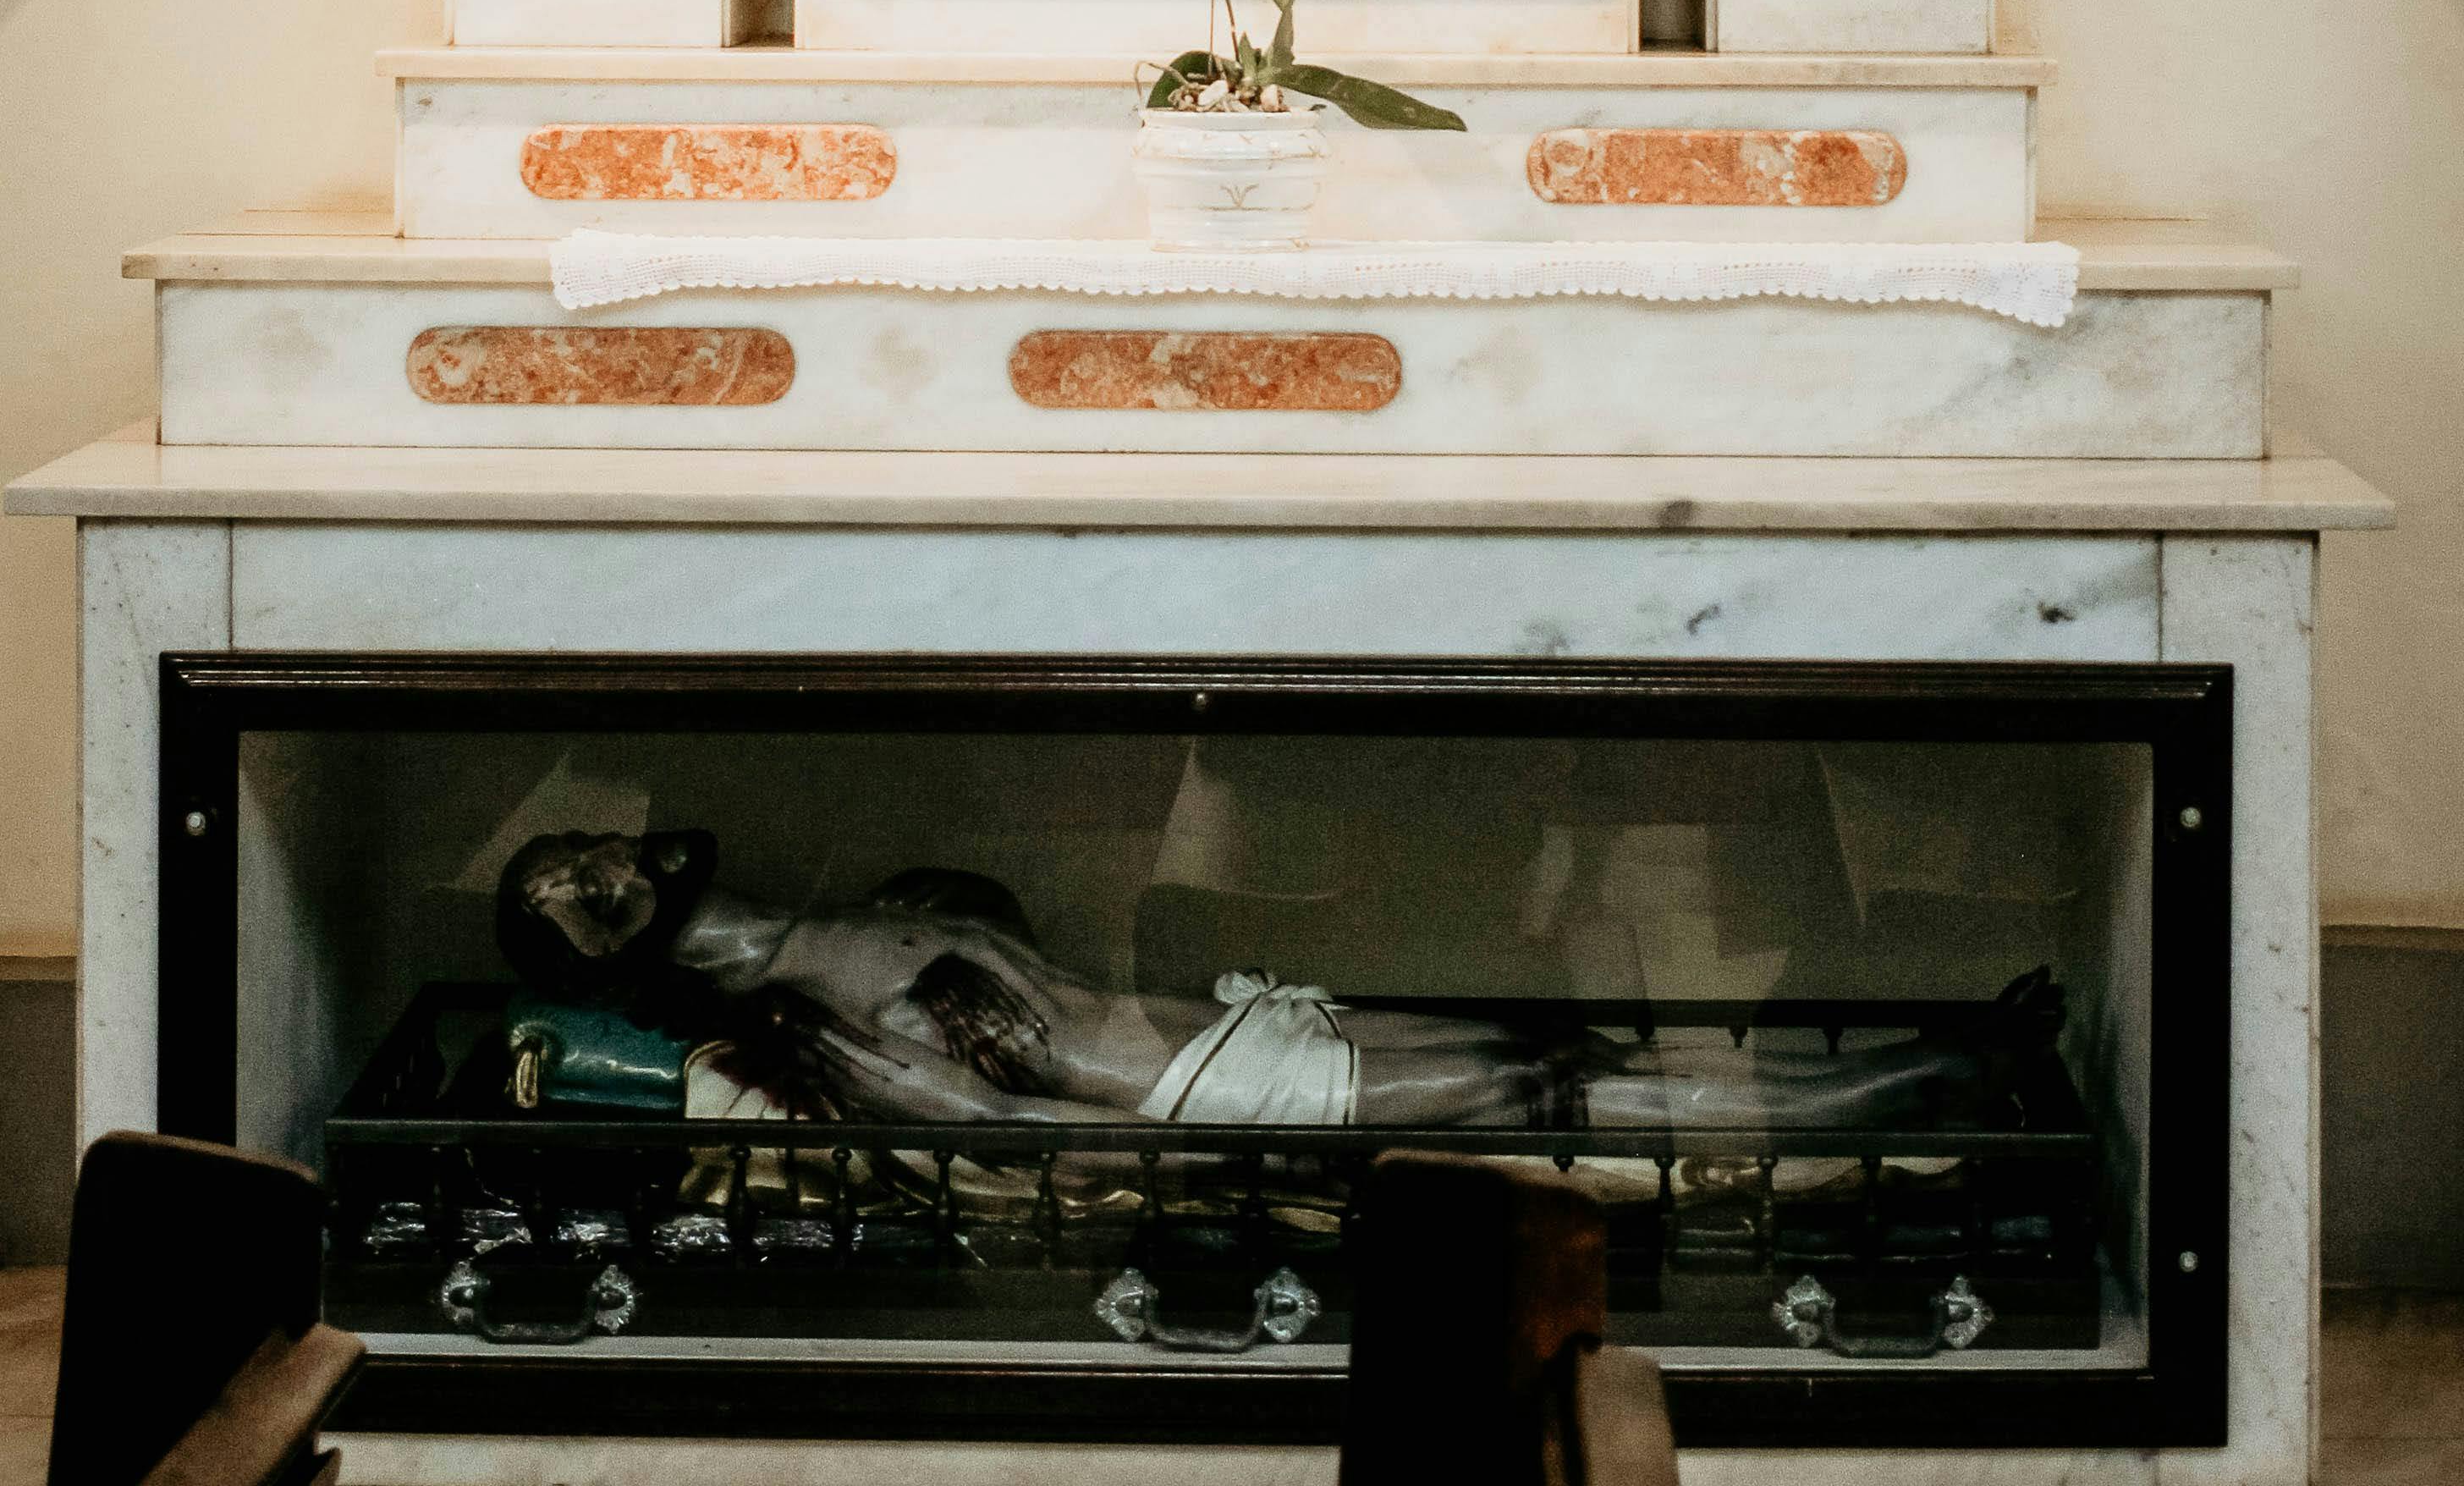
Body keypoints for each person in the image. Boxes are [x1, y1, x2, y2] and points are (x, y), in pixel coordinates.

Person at [496, 832, 2058, 1141]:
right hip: (1210, 1089)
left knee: (1558, 1041)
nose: (576, 872)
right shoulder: (806, 1027)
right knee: (1564, 1090)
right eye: (559, 899)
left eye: (577, 855)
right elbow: (993, 1122)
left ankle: (1957, 1054)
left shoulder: (868, 897)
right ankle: (1938, 1084)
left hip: (1247, 1023)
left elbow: (1025, 946)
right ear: (611, 954)